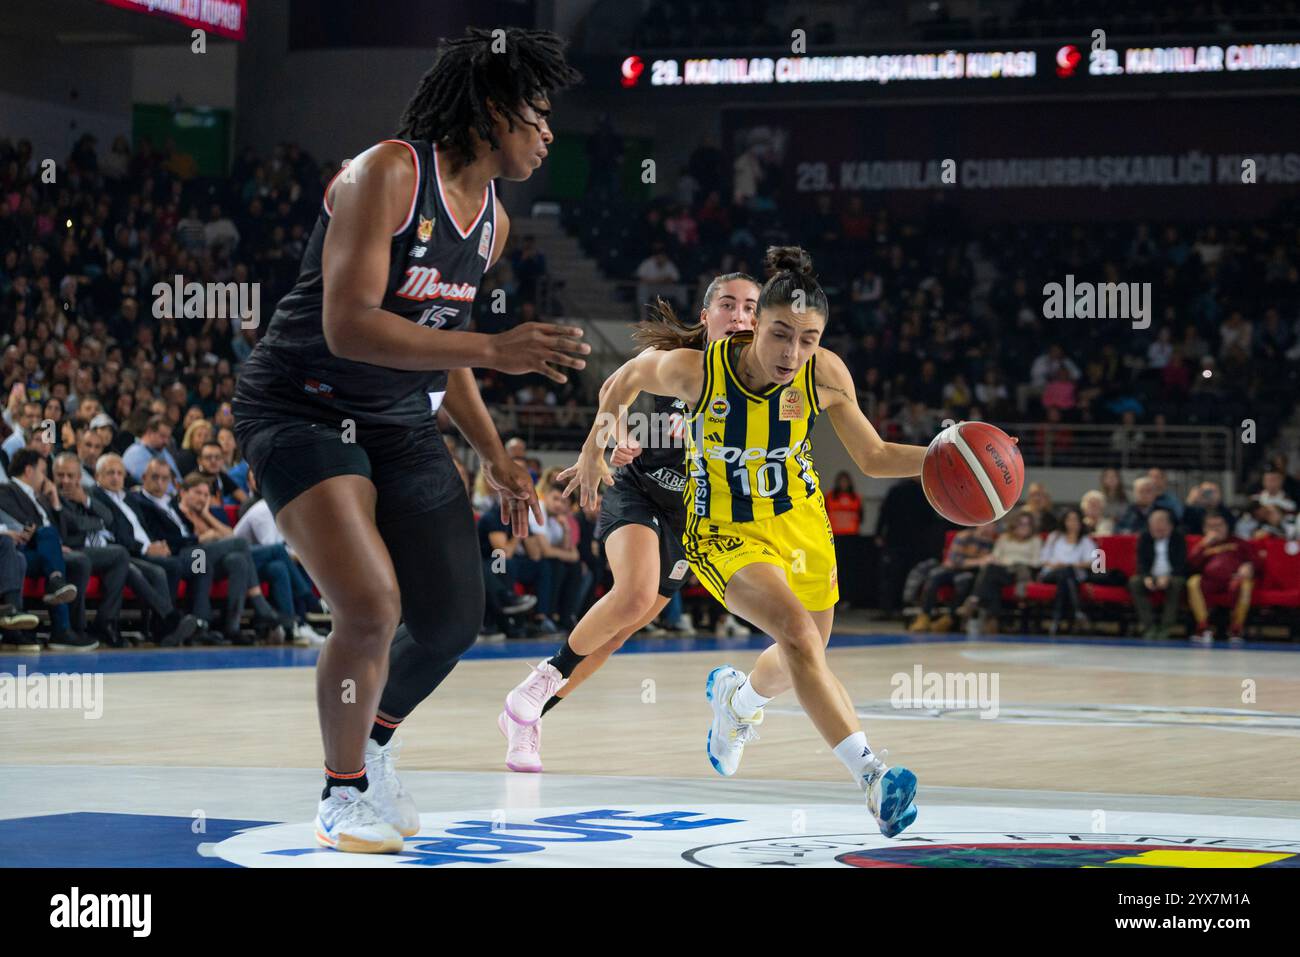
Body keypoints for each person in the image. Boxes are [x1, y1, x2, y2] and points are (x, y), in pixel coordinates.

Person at [229, 27, 586, 854]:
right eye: (536, 114)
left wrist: (493, 449)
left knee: (454, 617)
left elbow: (439, 336)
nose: (548, 132)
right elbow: (349, 325)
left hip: (397, 415)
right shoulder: (386, 174)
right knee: (369, 604)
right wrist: (497, 349)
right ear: (492, 112)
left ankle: (375, 740)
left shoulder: (491, 222)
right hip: (300, 404)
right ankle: (341, 790)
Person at [562, 246, 925, 838]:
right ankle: (874, 778)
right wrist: (592, 450)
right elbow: (618, 384)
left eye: (808, 339)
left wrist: (945, 454)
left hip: (801, 521)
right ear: (757, 325)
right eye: (781, 334)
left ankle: (738, 703)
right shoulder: (696, 369)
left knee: (805, 652)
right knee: (800, 637)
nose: (793, 352)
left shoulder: (825, 373)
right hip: (725, 527)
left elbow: (875, 457)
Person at [497, 273, 759, 771]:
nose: (740, 315)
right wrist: (605, 442)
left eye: (750, 307)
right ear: (706, 317)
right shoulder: (682, 364)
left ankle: (526, 720)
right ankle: (541, 679)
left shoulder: (761, 382)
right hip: (637, 491)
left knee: (619, 633)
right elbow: (618, 392)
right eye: (728, 305)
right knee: (634, 594)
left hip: (692, 518)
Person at [959, 510, 1042, 635]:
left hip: (1020, 572)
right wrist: (1002, 562)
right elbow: (995, 556)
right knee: (991, 576)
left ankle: (974, 600)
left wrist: (1011, 561)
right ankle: (992, 621)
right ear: (1014, 525)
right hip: (1002, 571)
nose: (1024, 527)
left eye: (1027, 524)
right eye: (1021, 524)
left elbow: (1035, 562)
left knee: (991, 573)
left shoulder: (1036, 540)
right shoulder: (1004, 538)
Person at [909, 522, 997, 633]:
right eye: (986, 524)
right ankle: (924, 616)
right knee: (934, 576)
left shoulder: (992, 543)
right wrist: (979, 561)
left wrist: (973, 563)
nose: (988, 528)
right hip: (951, 569)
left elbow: (988, 565)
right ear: (979, 524)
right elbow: (955, 560)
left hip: (970, 573)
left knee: (964, 581)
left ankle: (948, 619)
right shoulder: (964, 536)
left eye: (991, 525)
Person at [1186, 513, 1255, 645]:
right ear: (1204, 529)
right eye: (1211, 526)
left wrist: (1248, 566)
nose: (1216, 529)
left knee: (1246, 585)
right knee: (1193, 582)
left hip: (1234, 580)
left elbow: (1256, 562)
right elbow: (1191, 565)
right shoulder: (1200, 544)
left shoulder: (1239, 543)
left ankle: (1236, 629)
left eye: (1219, 525)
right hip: (1209, 581)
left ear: (1227, 526)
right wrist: (1203, 545)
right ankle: (1203, 627)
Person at [1128, 508, 1187, 640]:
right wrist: (1146, 577)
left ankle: (1166, 626)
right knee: (1135, 582)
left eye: (1161, 526)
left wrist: (1168, 576)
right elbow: (1141, 562)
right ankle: (1149, 626)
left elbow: (1181, 563)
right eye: (1154, 527)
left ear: (1170, 526)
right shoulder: (1145, 538)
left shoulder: (1178, 538)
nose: (1157, 530)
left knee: (1176, 584)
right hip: (1151, 575)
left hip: (1173, 575)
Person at [1037, 507, 1096, 634]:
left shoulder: (1085, 540)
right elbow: (1043, 559)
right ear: (1063, 521)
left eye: (1075, 520)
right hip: (1052, 573)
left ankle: (1057, 618)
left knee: (1067, 573)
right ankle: (1078, 611)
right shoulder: (1054, 537)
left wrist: (1072, 565)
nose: (1072, 523)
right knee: (1065, 572)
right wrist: (1057, 565)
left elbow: (1092, 562)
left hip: (1073, 574)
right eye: (1069, 520)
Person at [826, 471, 863, 536]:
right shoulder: (830, 497)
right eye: (842, 481)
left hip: (852, 533)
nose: (843, 484)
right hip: (834, 533)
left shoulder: (856, 497)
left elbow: (861, 516)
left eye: (845, 481)